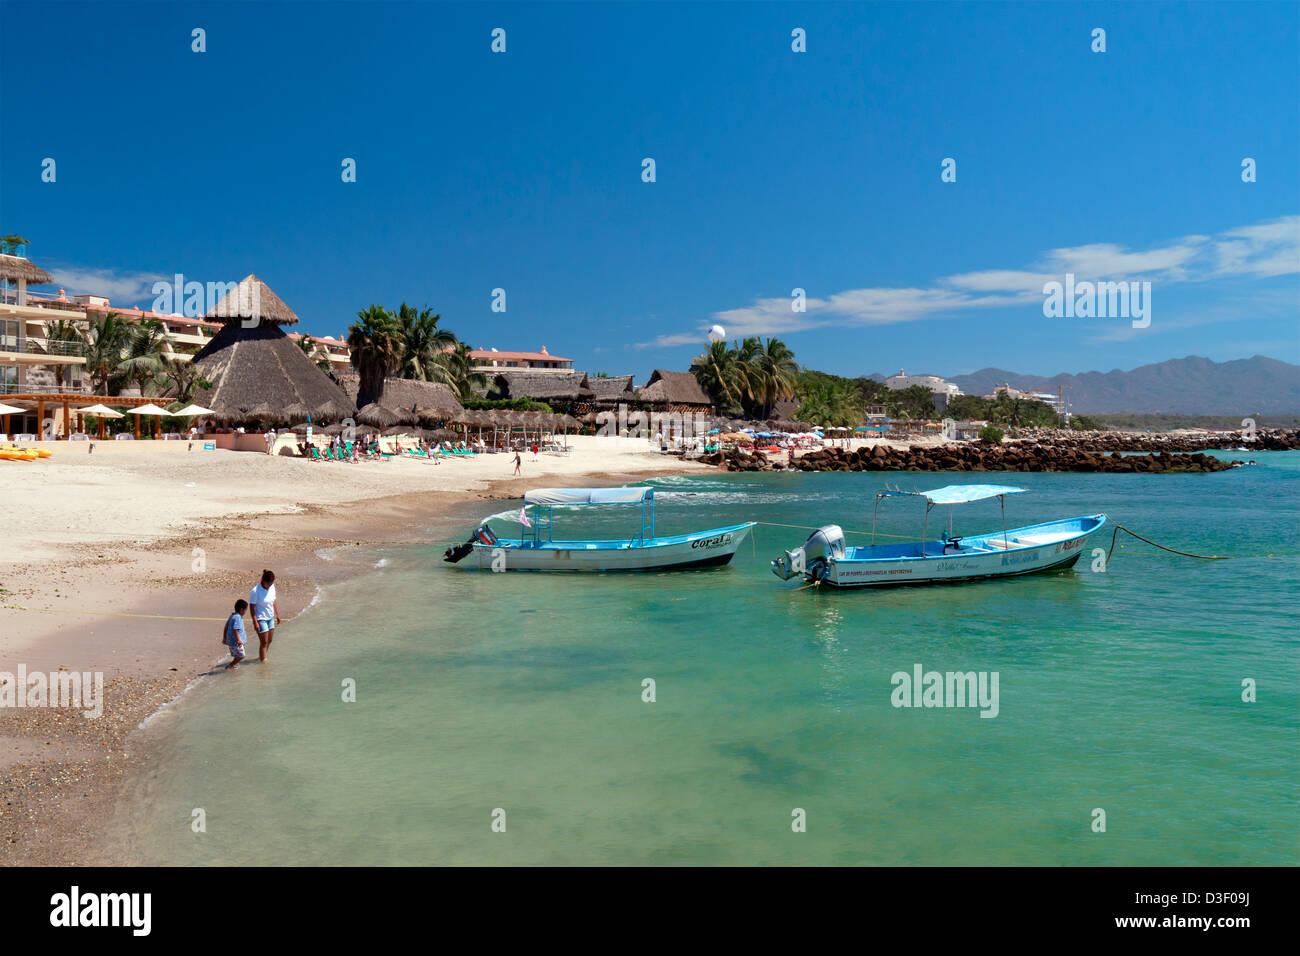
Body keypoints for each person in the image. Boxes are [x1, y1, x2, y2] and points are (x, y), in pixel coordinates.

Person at [249, 570, 281, 662]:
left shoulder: (272, 587)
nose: (270, 586)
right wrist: (255, 622)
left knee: (269, 641)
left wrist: (277, 614)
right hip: (261, 618)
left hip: (270, 617)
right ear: (263, 580)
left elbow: (273, 601)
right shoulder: (255, 591)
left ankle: (261, 657)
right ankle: (264, 662)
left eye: (271, 584)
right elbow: (252, 607)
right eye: (269, 584)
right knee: (264, 642)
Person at [223, 599, 248, 670]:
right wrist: (238, 640)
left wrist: (224, 638)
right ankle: (230, 666)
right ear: (241, 610)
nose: (245, 612)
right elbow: (235, 629)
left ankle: (234, 665)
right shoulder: (238, 617)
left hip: (231, 641)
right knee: (241, 656)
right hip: (236, 642)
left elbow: (226, 627)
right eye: (245, 610)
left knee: (237, 655)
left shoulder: (232, 615)